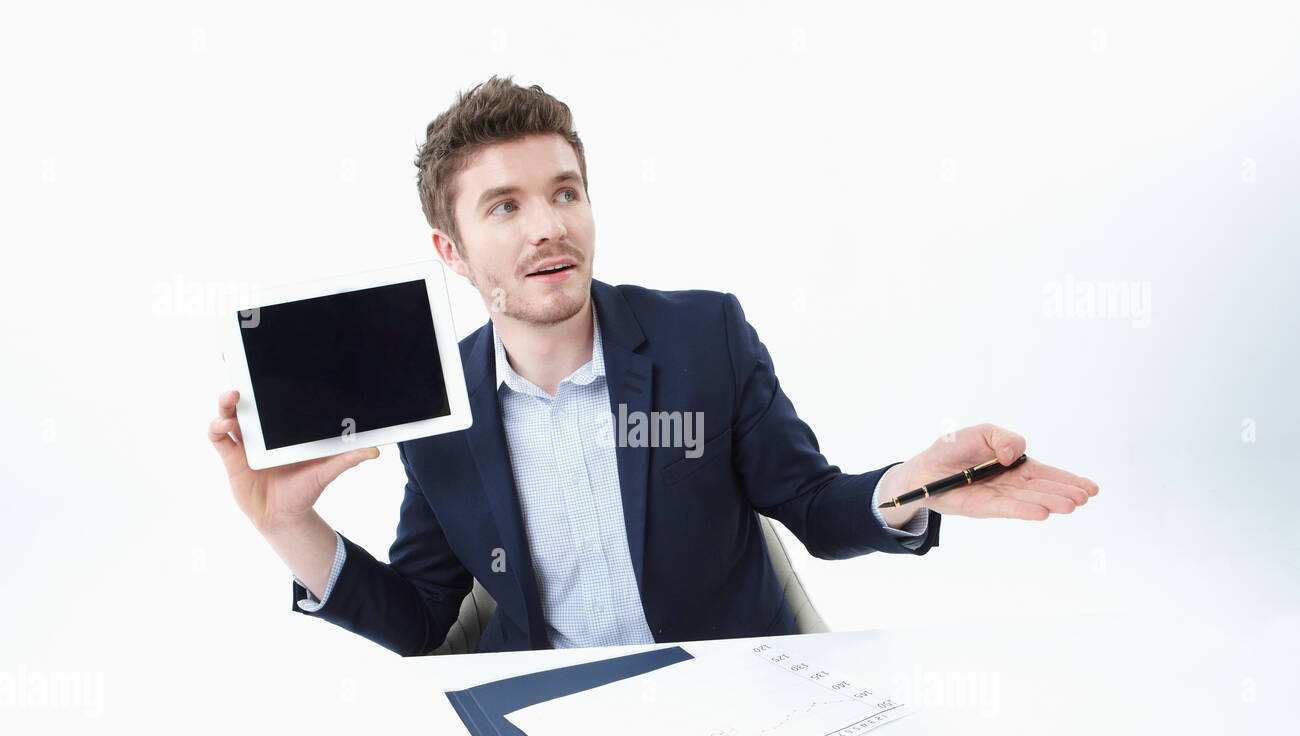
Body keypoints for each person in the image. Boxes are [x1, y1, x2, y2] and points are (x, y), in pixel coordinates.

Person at [208, 76, 1099, 655]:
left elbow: (814, 507)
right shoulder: (447, 410)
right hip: (555, 713)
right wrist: (287, 525)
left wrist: (911, 487)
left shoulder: (701, 339)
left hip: (727, 689)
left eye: (564, 193)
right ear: (451, 248)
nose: (547, 226)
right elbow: (418, 619)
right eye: (505, 206)